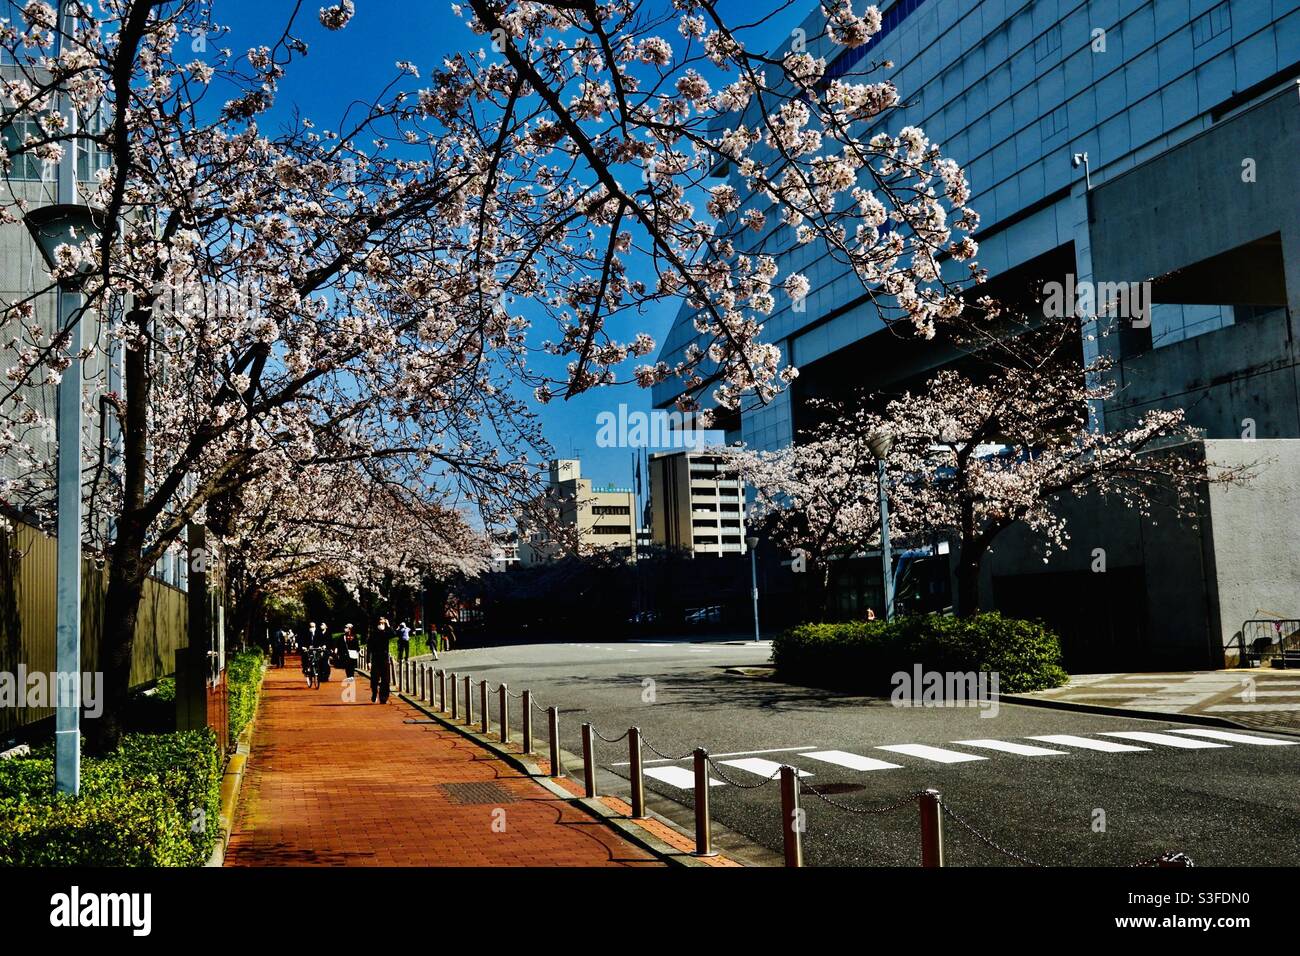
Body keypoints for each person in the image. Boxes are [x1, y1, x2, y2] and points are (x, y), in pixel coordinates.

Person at [366, 621, 391, 704]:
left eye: (383, 624)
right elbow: (369, 649)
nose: (381, 625)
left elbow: (394, 634)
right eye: (380, 623)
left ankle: (383, 698)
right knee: (374, 679)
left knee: (386, 679)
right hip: (375, 659)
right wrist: (368, 661)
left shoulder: (386, 633)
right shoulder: (373, 635)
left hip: (384, 659)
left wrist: (388, 625)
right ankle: (374, 692)